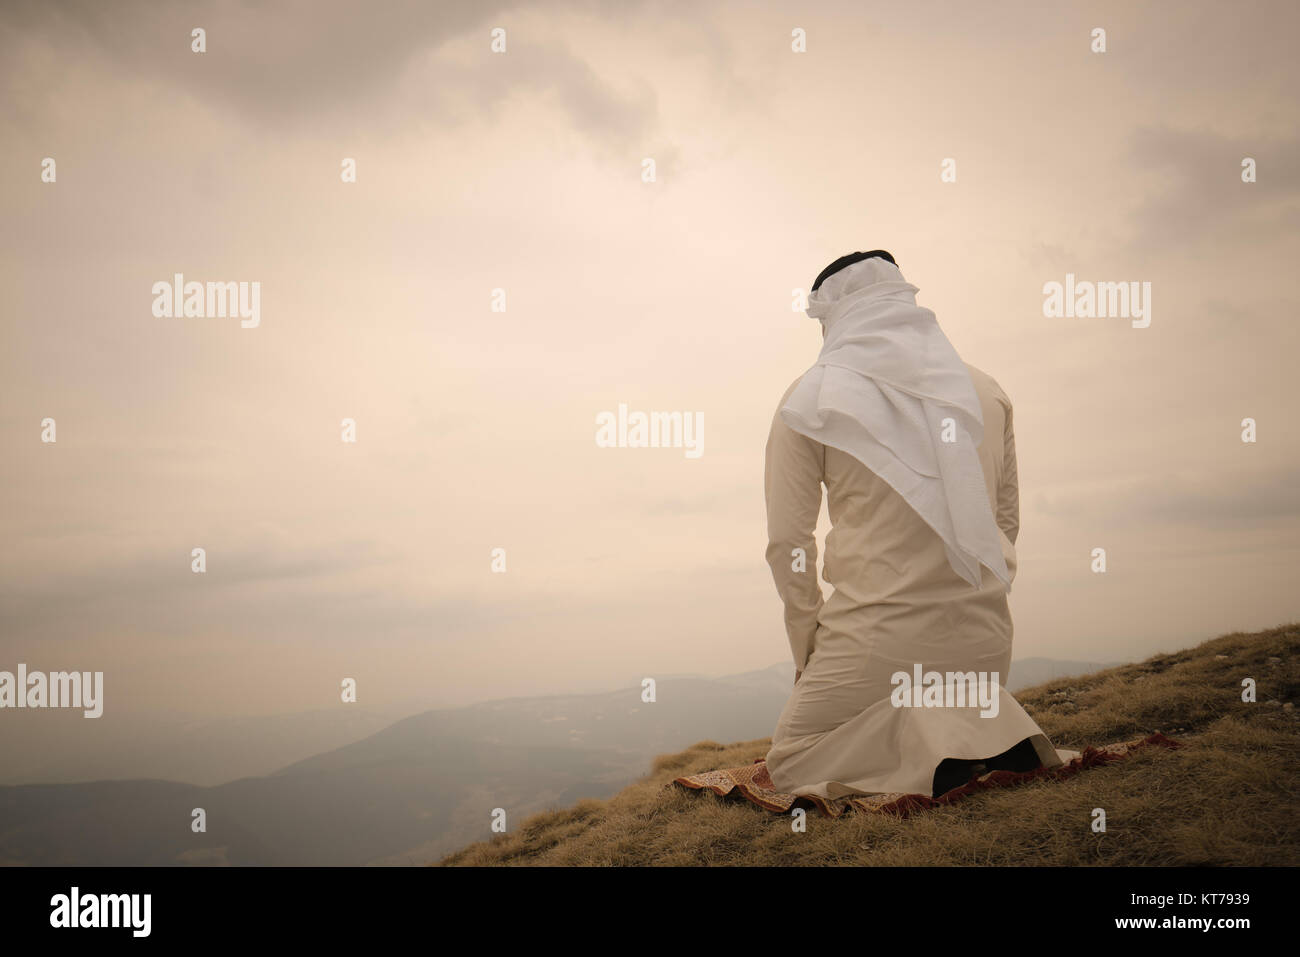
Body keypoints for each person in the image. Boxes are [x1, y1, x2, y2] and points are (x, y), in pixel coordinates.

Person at [763, 250, 1074, 800]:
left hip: (873, 639)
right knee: (954, 692)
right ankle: (989, 734)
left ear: (832, 317)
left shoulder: (807, 399)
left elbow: (790, 544)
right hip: (984, 641)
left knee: (792, 760)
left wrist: (807, 648)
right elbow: (1006, 521)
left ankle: (931, 754)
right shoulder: (986, 389)